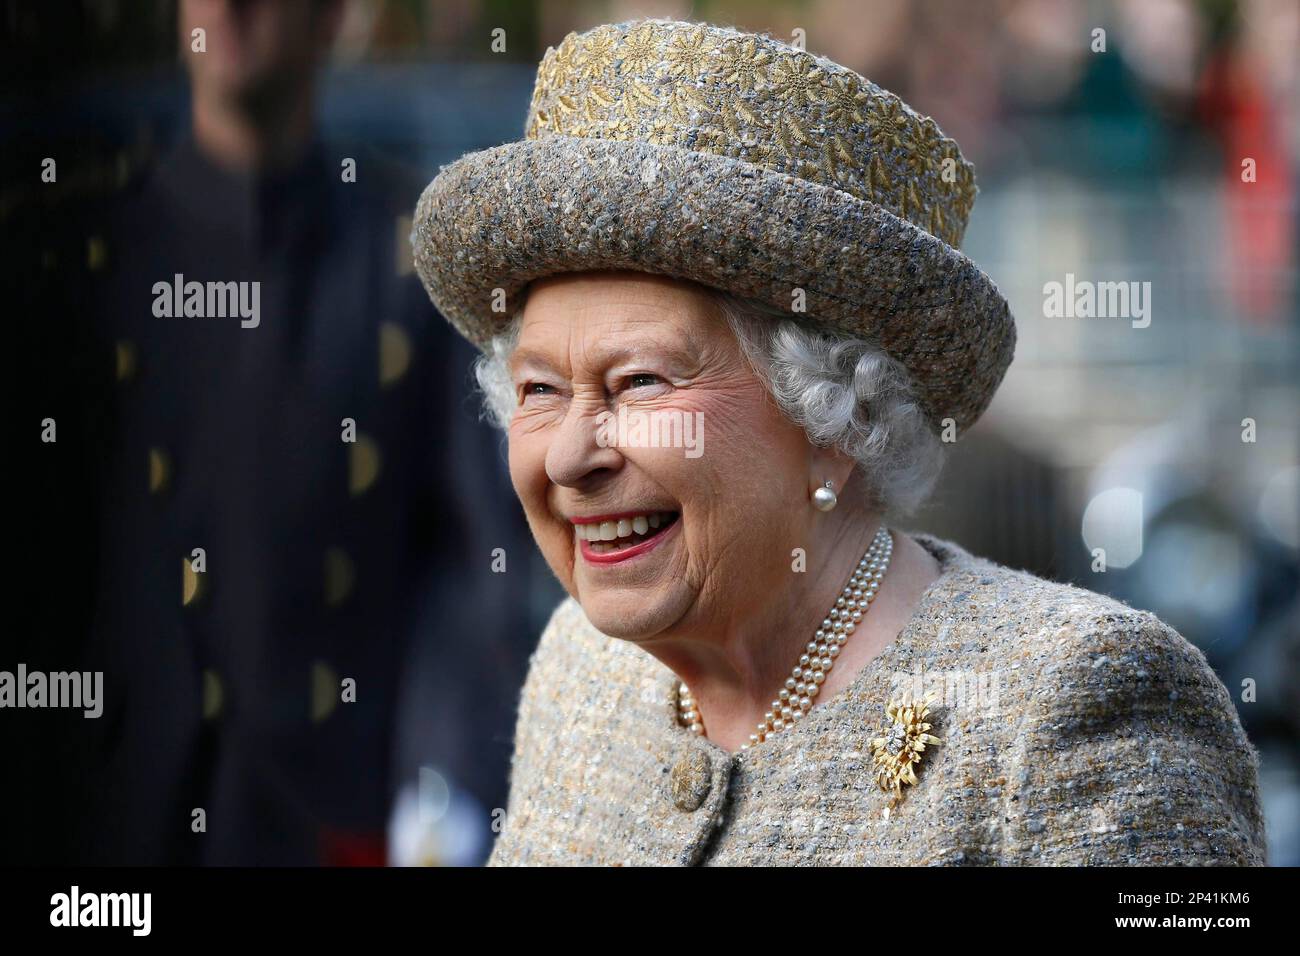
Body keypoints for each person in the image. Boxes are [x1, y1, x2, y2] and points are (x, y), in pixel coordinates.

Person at [409, 18, 1268, 865]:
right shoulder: (580, 671)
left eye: (639, 382)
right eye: (539, 391)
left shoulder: (1070, 709)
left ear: (834, 421)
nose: (567, 457)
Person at [43, 0, 534, 865]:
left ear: (331, 16)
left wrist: (441, 786)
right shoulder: (77, 263)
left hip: (334, 822)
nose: (230, 7)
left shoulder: (410, 273)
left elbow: (474, 567)